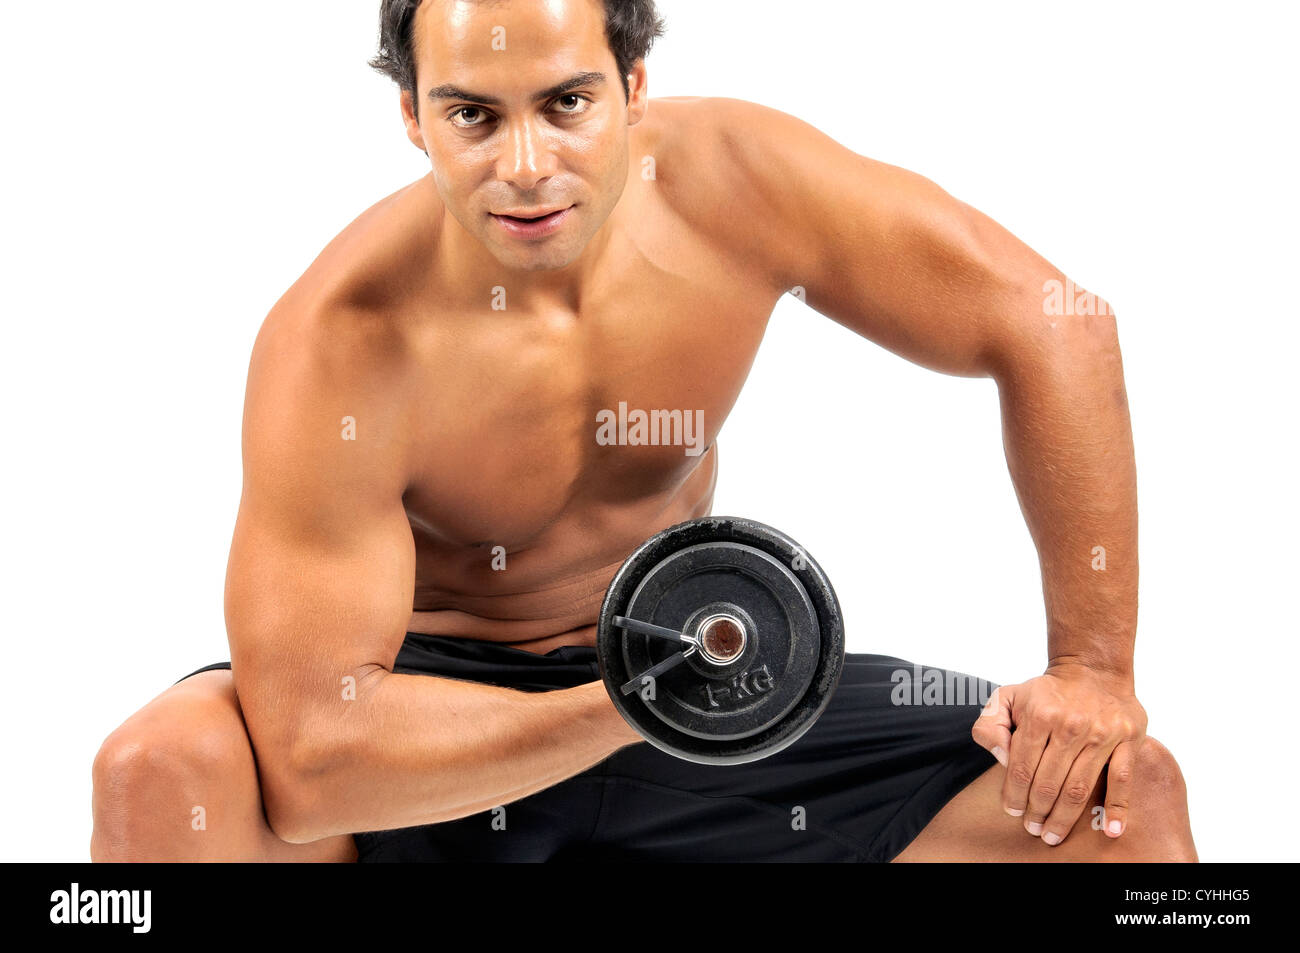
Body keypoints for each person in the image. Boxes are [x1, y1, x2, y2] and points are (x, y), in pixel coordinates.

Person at [90, 0, 1197, 862]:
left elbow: (1054, 326)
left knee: (1116, 791)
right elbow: (313, 761)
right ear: (412, 116)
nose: (524, 166)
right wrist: (624, 707)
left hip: (692, 679)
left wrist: (1092, 665)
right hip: (427, 734)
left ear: (630, 88)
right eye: (473, 113)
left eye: (564, 102)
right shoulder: (337, 341)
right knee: (160, 765)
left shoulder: (736, 184)